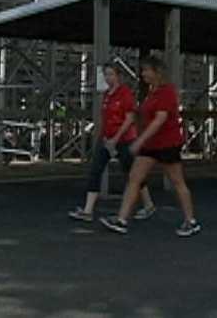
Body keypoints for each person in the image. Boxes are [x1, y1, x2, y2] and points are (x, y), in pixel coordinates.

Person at [101, 55, 200, 237]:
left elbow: (159, 120)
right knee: (134, 177)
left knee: (177, 182)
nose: (143, 74)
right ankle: (121, 220)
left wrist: (139, 140)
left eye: (146, 70)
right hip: (151, 145)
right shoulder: (151, 92)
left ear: (157, 72)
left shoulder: (167, 92)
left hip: (167, 144)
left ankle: (190, 220)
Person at [69, 62, 156, 222]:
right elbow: (106, 118)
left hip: (124, 139)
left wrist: (116, 139)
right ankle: (88, 210)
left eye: (111, 74)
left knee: (132, 174)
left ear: (118, 76)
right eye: (106, 74)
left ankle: (148, 203)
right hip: (106, 138)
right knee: (96, 169)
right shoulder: (107, 95)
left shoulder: (125, 94)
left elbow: (129, 118)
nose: (108, 78)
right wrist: (104, 138)